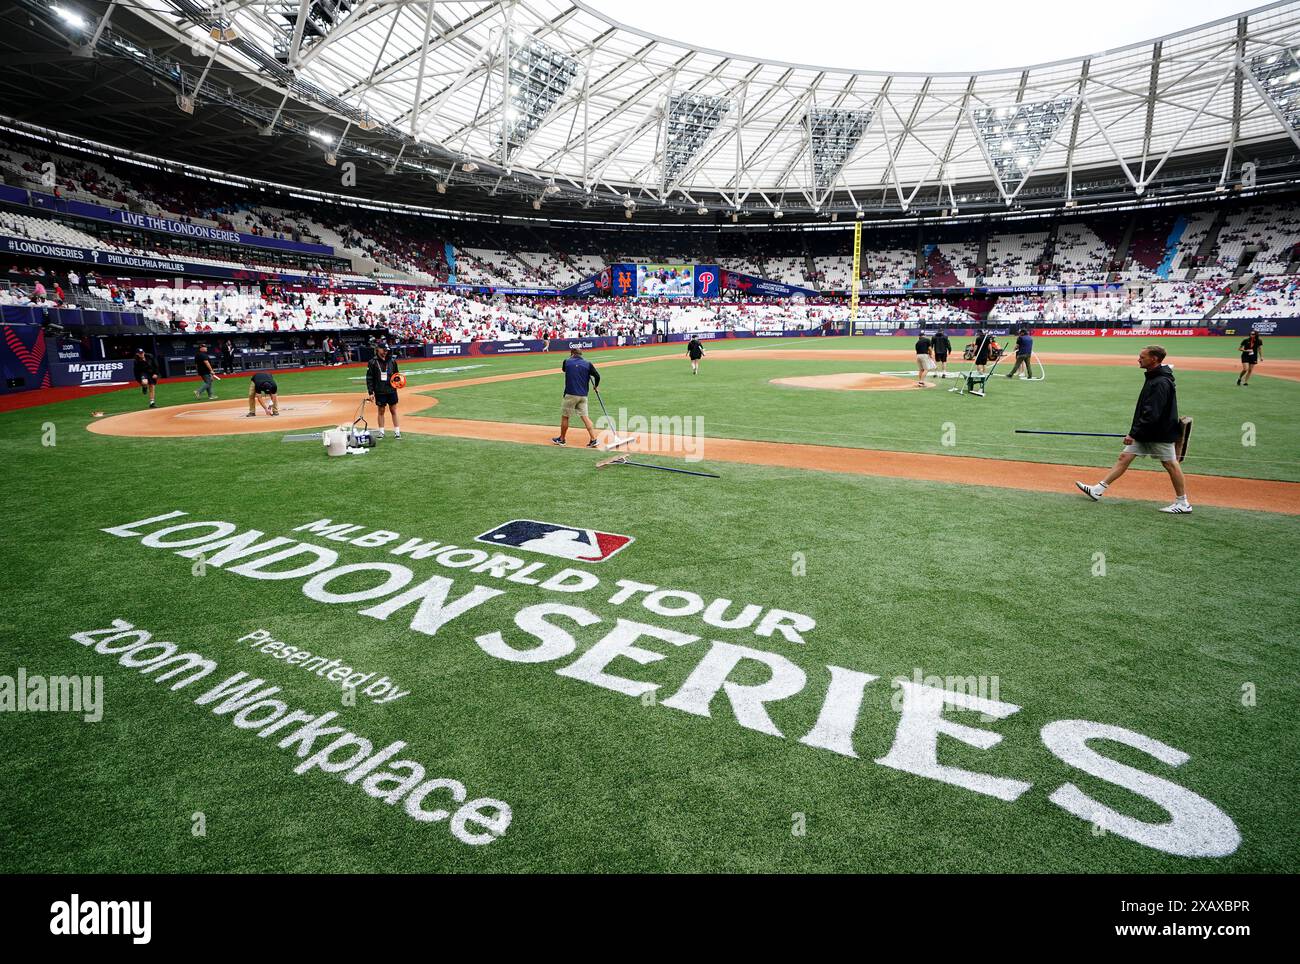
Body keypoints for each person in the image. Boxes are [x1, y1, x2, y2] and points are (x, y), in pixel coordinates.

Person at [1075, 345, 1191, 514]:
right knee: (1124, 457)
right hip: (1148, 431)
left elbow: (1152, 413)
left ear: (1154, 359)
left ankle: (1183, 502)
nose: (1139, 359)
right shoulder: (1155, 377)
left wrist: (1134, 433)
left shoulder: (1160, 382)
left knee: (1170, 464)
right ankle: (1098, 489)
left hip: (1158, 433)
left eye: (1142, 357)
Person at [553, 346, 600, 447]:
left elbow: (564, 370)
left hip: (570, 394)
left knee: (565, 417)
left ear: (572, 354)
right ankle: (593, 439)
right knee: (585, 417)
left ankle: (562, 439)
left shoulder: (567, 361)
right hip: (583, 395)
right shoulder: (588, 364)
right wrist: (595, 386)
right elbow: (597, 376)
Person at [365, 343, 401, 439]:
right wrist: (370, 392)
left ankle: (397, 432)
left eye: (387, 350)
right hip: (380, 390)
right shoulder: (372, 362)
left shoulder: (392, 361)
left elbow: (397, 374)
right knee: (381, 411)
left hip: (391, 390)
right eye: (384, 350)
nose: (385, 352)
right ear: (378, 349)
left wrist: (397, 381)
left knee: (393, 410)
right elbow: (369, 378)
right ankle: (381, 432)